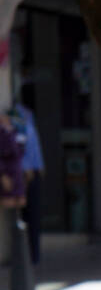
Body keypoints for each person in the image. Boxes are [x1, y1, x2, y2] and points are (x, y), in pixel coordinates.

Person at [10, 96, 44, 264]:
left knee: (31, 214)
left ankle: (32, 255)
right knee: (24, 214)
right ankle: (27, 256)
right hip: (25, 172)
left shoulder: (26, 116)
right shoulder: (17, 116)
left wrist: (37, 166)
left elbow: (30, 143)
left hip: (31, 171)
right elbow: (22, 145)